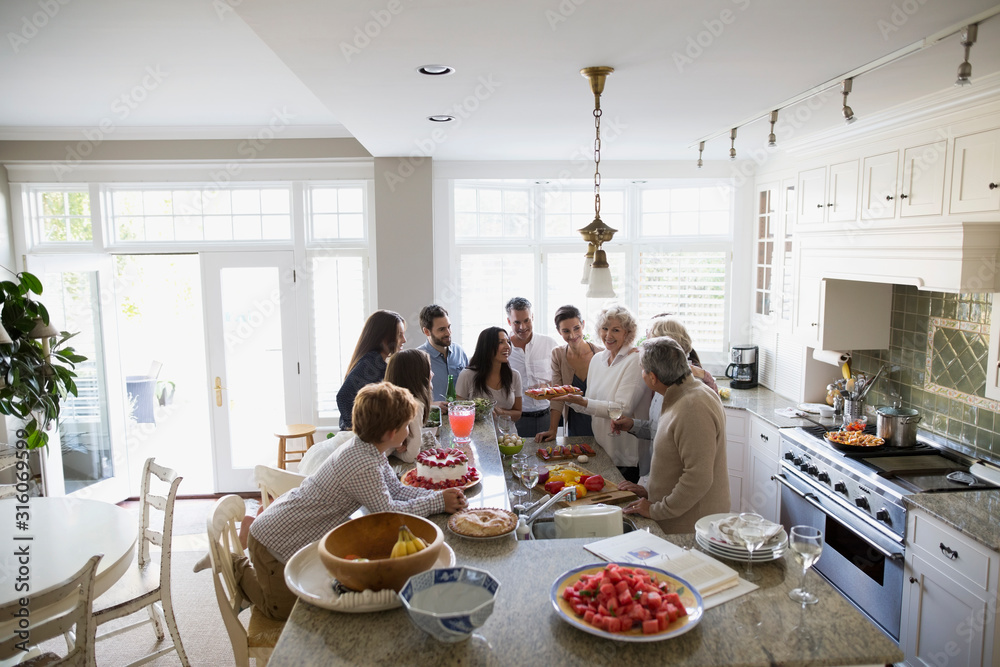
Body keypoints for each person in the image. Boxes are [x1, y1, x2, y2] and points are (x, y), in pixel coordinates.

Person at [236, 382, 467, 621]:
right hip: (272, 541)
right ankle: (239, 568)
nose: (409, 430)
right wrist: (437, 503)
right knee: (282, 611)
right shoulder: (361, 464)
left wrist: (440, 496)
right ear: (390, 432)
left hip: (292, 530)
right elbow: (388, 512)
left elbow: (397, 491)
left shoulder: (369, 449)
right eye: (406, 425)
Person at [621, 337, 729, 534]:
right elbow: (677, 459)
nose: (641, 374)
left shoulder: (691, 407)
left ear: (653, 378)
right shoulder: (684, 393)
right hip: (683, 517)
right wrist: (651, 492)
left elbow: (698, 477)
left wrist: (656, 509)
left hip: (692, 525)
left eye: (642, 369)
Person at [547, 304, 647, 483]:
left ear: (628, 332)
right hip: (598, 449)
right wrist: (568, 399)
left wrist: (582, 402)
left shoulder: (634, 360)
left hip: (625, 455)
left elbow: (621, 409)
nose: (608, 335)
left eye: (616, 330)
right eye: (605, 328)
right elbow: (589, 405)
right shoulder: (597, 359)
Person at [613, 315, 720, 445]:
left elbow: (697, 457)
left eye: (651, 342)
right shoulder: (662, 383)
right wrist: (632, 425)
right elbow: (658, 430)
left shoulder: (692, 398)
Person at [535, 305, 603, 442]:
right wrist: (552, 430)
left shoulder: (602, 354)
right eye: (566, 331)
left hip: (601, 422)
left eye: (576, 328)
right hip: (575, 424)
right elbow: (557, 394)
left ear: (583, 324)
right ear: (559, 331)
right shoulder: (558, 354)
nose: (572, 335)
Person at [336, 310, 406, 430]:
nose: (404, 340)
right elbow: (343, 396)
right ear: (384, 337)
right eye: (399, 334)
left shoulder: (376, 361)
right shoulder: (373, 362)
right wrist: (355, 429)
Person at [505, 297, 559, 437]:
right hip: (516, 419)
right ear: (509, 322)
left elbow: (558, 381)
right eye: (517, 322)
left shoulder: (549, 344)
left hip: (546, 416)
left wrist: (548, 387)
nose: (522, 327)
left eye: (526, 320)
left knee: (546, 456)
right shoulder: (502, 349)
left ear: (532, 317)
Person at [455, 326, 522, 421]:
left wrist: (501, 412)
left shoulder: (514, 376)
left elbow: (518, 413)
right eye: (501, 342)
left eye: (508, 341)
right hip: (477, 434)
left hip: (507, 434)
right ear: (487, 346)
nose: (508, 346)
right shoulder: (467, 375)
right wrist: (481, 411)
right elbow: (458, 411)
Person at [385, 348, 438, 463]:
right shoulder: (415, 405)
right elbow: (412, 456)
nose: (432, 374)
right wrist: (395, 452)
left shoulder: (387, 400)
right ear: (418, 376)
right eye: (429, 369)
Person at [416, 304, 469, 404]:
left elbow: (470, 385)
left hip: (460, 415)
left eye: (449, 327)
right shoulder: (417, 358)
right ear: (427, 331)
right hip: (432, 417)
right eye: (442, 329)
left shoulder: (459, 351)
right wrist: (432, 405)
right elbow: (411, 397)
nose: (448, 333)